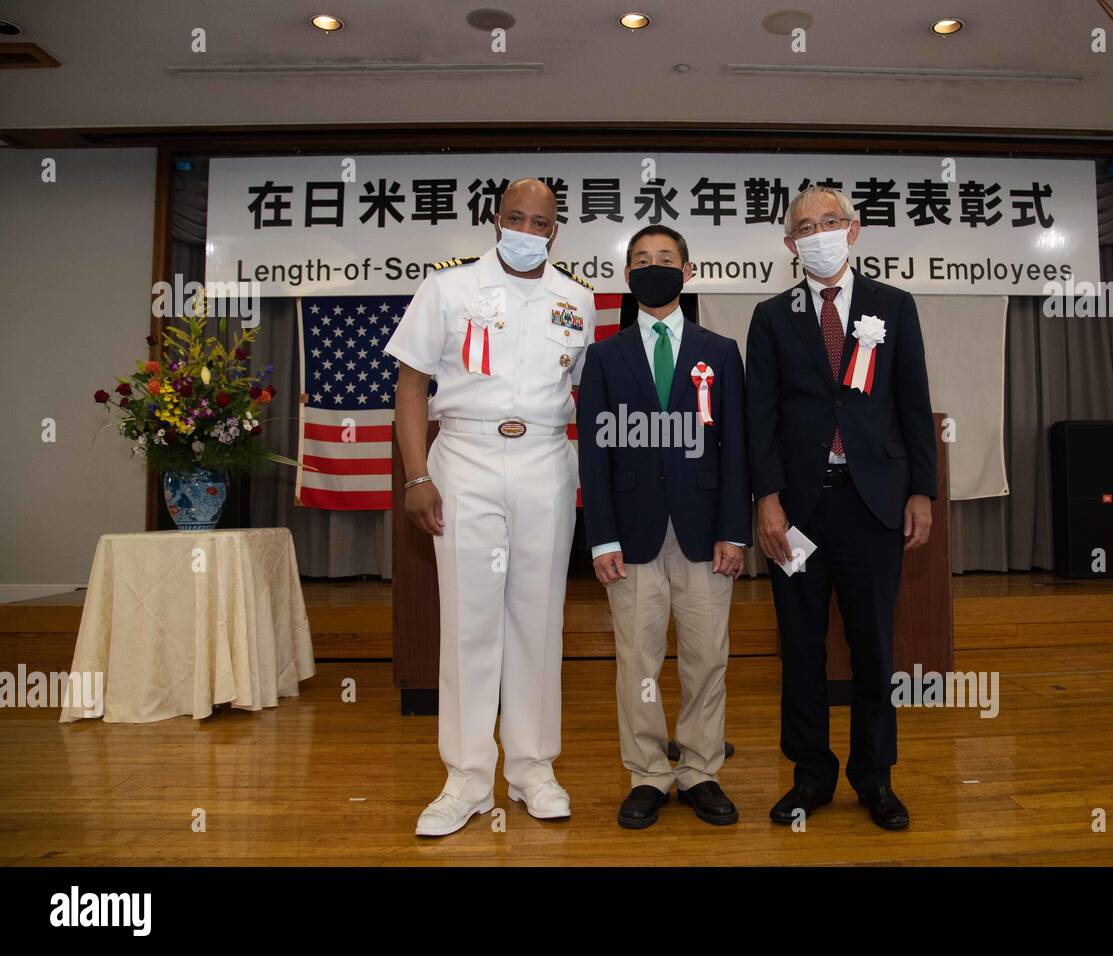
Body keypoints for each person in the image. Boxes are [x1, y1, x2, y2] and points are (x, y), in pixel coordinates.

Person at [384, 179, 596, 837]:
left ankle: (533, 768)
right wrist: (417, 475)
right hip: (466, 461)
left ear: (555, 230)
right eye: (515, 218)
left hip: (544, 462)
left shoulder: (577, 298)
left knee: (538, 618)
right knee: (470, 621)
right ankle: (467, 778)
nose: (527, 231)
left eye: (541, 222)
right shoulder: (447, 289)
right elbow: (411, 385)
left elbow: (585, 392)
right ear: (494, 220)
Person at [745, 185, 937, 830]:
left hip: (873, 505)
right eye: (805, 226)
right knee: (800, 649)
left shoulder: (895, 306)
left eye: (830, 221)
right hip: (797, 515)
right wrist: (766, 500)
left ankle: (874, 777)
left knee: (872, 648)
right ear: (789, 243)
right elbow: (759, 418)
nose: (818, 233)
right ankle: (810, 775)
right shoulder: (773, 316)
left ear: (853, 231)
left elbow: (913, 403)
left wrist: (921, 490)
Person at [576, 224, 749, 829]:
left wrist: (736, 530)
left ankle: (701, 770)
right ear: (628, 277)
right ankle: (648, 773)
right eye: (642, 260)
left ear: (687, 271)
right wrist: (601, 536)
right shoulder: (603, 356)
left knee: (706, 659)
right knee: (639, 664)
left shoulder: (720, 351)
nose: (654, 268)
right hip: (631, 536)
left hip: (706, 536)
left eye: (666, 259)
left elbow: (736, 449)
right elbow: (594, 456)